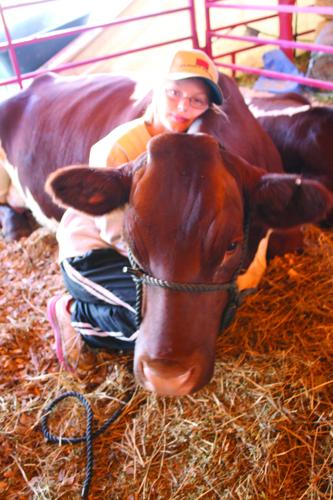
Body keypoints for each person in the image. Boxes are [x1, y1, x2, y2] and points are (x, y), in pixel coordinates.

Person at [47, 48, 224, 372]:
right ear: (157, 89)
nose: (184, 106)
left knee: (191, 314)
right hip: (94, 253)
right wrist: (165, 271)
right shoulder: (120, 147)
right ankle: (74, 313)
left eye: (197, 100)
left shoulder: (190, 148)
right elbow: (113, 228)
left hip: (148, 257)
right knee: (155, 321)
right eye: (174, 92)